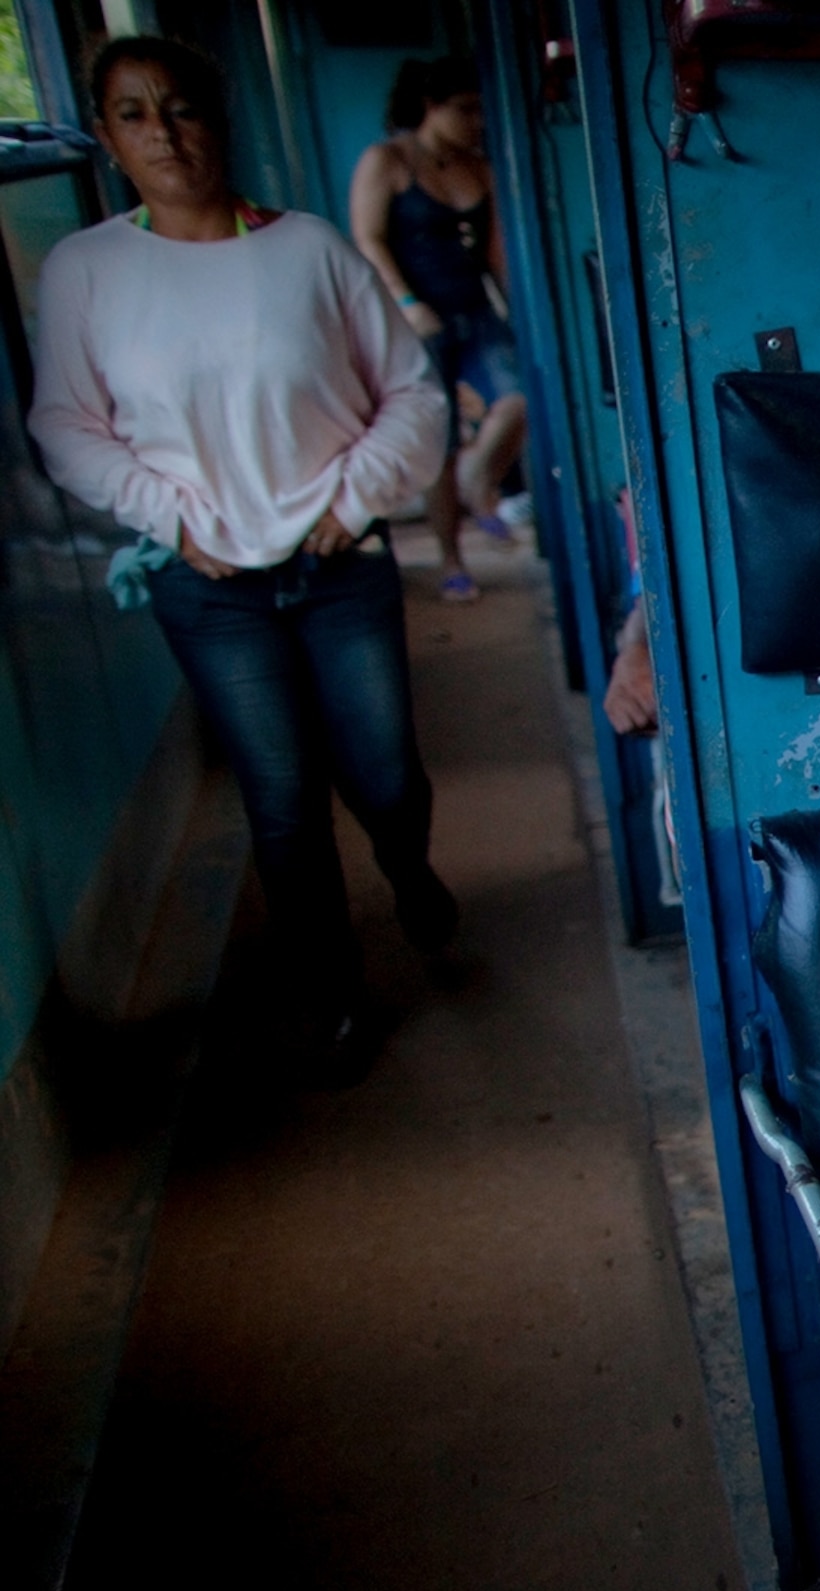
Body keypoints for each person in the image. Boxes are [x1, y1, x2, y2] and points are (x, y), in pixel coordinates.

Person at [32, 36, 454, 1081]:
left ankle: (408, 867)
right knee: (281, 796)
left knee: (387, 774)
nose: (164, 134)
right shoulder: (85, 271)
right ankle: (336, 992)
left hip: (337, 559)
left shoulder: (307, 248)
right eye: (134, 115)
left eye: (180, 108)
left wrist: (351, 498)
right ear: (105, 140)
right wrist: (170, 519)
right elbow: (67, 426)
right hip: (206, 586)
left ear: (220, 121)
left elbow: (413, 393)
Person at [349, 54, 526, 604]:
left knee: (522, 397)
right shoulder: (388, 161)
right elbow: (368, 239)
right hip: (415, 320)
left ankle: (482, 480)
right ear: (430, 106)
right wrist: (406, 302)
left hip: (474, 311)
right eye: (466, 110)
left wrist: (517, 313)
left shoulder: (478, 168)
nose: (477, 121)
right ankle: (452, 558)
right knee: (437, 444)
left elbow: (495, 249)